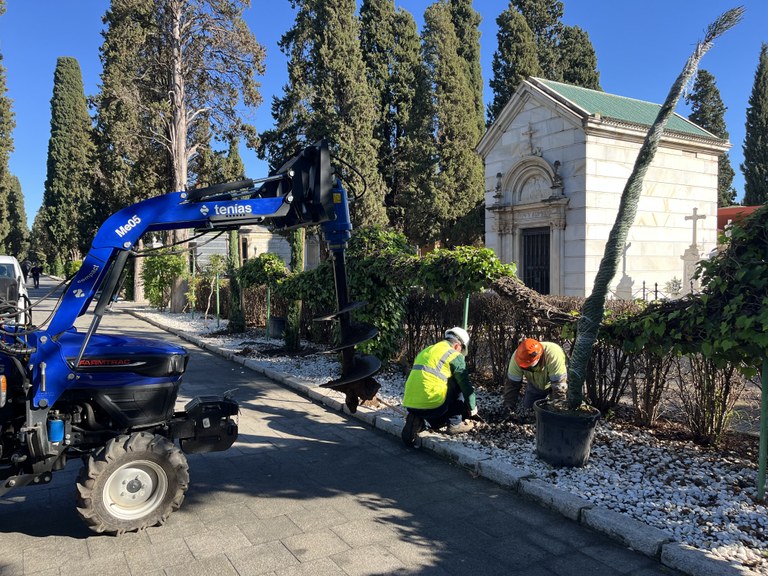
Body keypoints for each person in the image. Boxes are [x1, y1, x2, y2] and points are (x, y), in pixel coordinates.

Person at [401, 327, 479, 447]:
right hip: (434, 405)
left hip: (410, 404)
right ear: (458, 346)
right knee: (458, 382)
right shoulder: (453, 354)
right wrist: (472, 407)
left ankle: (420, 418)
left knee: (439, 382)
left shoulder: (427, 350)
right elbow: (465, 385)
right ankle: (455, 423)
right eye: (462, 350)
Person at [505, 338, 568, 418]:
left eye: (529, 366)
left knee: (557, 410)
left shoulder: (553, 355)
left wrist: (559, 411)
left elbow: (559, 388)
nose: (526, 368)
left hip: (556, 384)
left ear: (538, 357)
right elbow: (512, 386)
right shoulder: (516, 359)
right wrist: (508, 408)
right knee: (528, 410)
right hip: (535, 385)